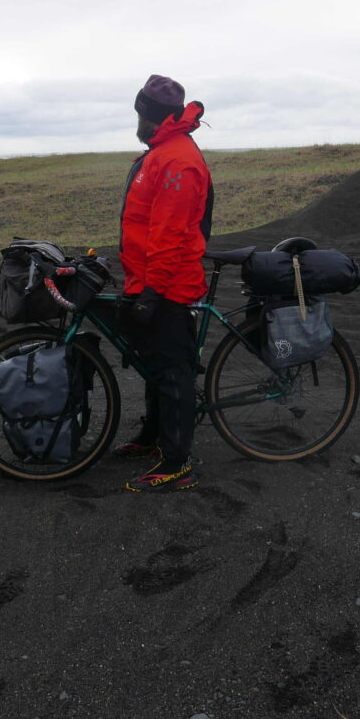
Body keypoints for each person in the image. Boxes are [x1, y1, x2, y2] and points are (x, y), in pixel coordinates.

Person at [114, 74, 214, 492]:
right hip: (148, 279)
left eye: (140, 113)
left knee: (173, 374)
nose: (136, 120)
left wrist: (153, 293)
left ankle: (177, 464)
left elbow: (169, 237)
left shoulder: (176, 160)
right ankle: (153, 438)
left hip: (170, 285)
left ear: (151, 116)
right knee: (153, 366)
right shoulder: (158, 152)